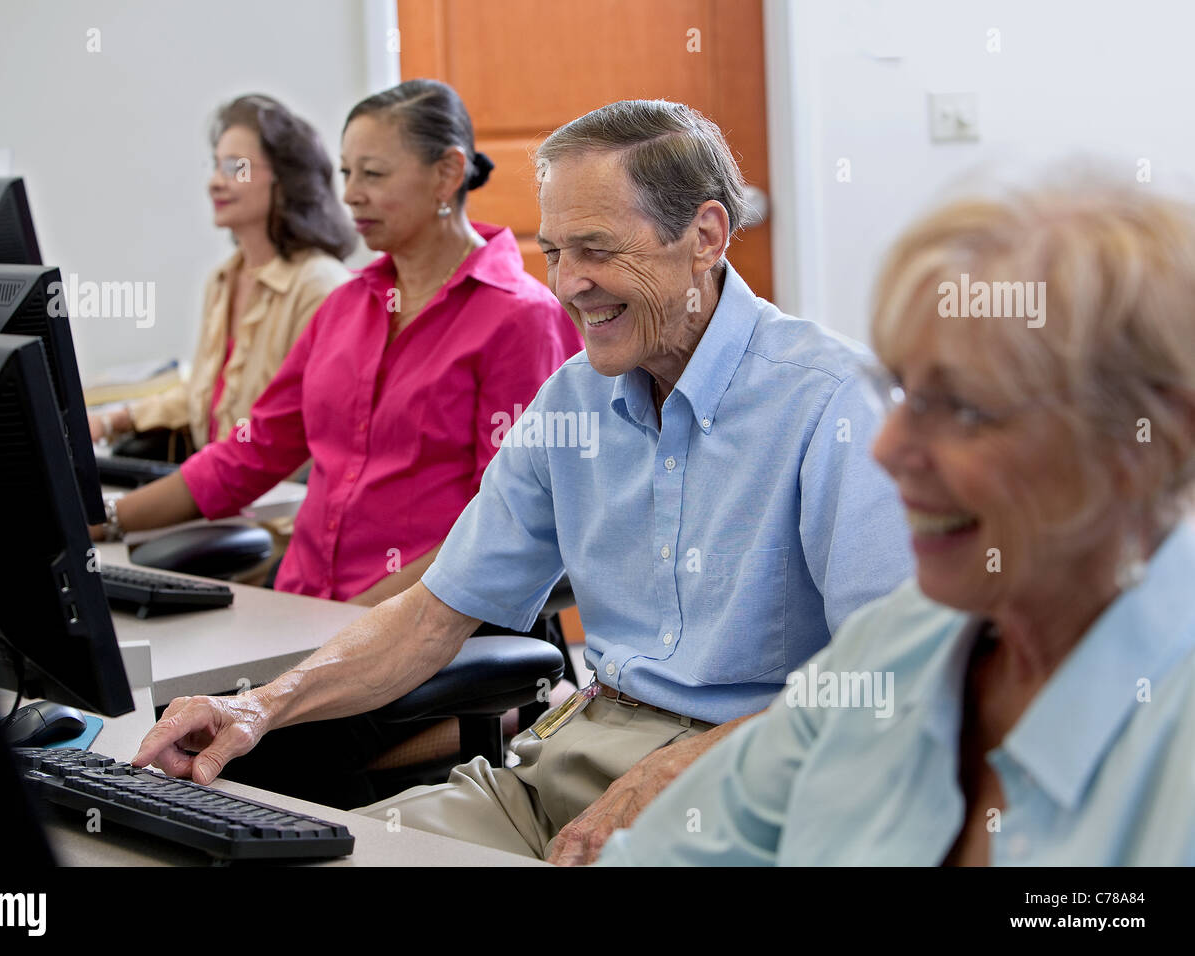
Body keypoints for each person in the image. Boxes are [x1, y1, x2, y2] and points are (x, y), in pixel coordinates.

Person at [131, 99, 912, 862]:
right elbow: (431, 618)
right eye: (555, 253)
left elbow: (897, 679)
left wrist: (688, 768)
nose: (569, 284)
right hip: (564, 763)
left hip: (750, 774)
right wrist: (258, 706)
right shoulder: (574, 398)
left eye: (597, 250)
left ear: (705, 235)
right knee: (330, 854)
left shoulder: (832, 401)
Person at [598, 181, 1195, 866]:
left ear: (1150, 443)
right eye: (901, 391)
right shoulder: (900, 643)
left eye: (966, 407)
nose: (887, 448)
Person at [96, 79, 580, 808]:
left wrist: (353, 628)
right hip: (299, 628)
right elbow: (248, 453)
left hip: (403, 641)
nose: (350, 193)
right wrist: (105, 520)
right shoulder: (349, 305)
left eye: (374, 174)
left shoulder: (519, 320)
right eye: (346, 173)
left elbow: (500, 532)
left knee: (221, 769)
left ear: (449, 174)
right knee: (141, 729)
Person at [89, 94, 355, 457]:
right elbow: (205, 392)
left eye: (234, 168)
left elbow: (302, 432)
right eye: (215, 167)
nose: (214, 182)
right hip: (219, 487)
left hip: (272, 505)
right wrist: (113, 421)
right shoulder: (223, 279)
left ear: (286, 180)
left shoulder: (320, 286)